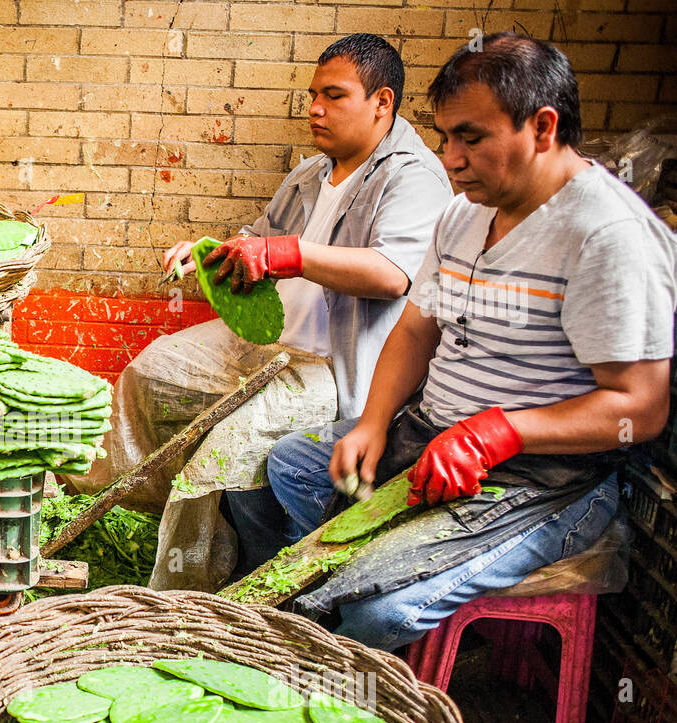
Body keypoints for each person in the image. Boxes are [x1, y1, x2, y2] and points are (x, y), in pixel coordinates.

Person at [265, 32, 676, 651]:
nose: (451, 158)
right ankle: (356, 589)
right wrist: (375, 422)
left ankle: (368, 657)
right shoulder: (464, 215)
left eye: (471, 138)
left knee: (379, 609)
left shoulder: (608, 235)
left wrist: (497, 431)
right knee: (293, 466)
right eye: (446, 136)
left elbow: (640, 408)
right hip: (430, 437)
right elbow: (416, 327)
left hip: (545, 480)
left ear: (542, 126)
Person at [71, 33, 453, 588]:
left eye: (334, 95)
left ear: (383, 102)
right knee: (151, 373)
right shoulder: (311, 174)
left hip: (332, 369)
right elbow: (255, 240)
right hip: (265, 345)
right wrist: (208, 253)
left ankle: (210, 585)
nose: (315, 109)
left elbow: (393, 274)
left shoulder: (412, 178)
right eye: (312, 95)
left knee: (229, 450)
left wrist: (286, 254)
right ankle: (130, 512)